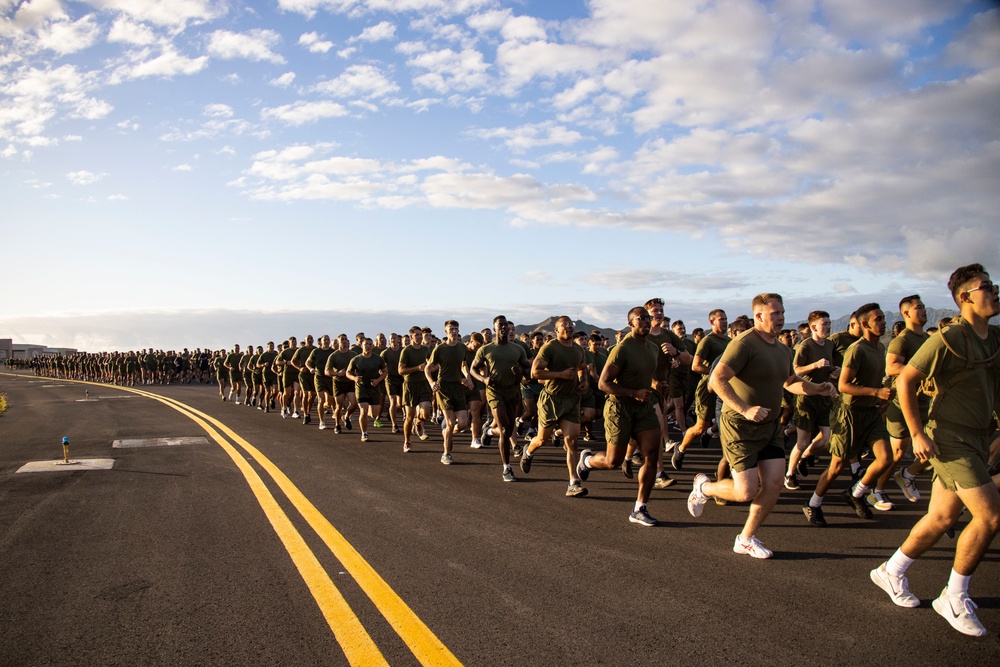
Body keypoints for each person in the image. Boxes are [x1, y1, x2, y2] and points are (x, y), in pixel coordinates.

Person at [871, 264, 999, 637]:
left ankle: (890, 571)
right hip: (950, 439)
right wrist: (916, 433)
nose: (993, 291)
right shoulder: (948, 339)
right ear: (964, 298)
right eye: (985, 287)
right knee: (990, 517)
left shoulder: (994, 339)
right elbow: (907, 379)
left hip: (977, 437)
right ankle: (954, 596)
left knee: (942, 518)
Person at [687, 293, 837, 558]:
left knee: (774, 484)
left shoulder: (782, 349)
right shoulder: (744, 343)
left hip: (770, 427)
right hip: (740, 426)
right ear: (758, 316)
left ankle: (746, 538)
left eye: (782, 313)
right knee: (746, 491)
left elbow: (790, 381)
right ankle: (704, 488)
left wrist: (819, 388)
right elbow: (717, 380)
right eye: (774, 313)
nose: (780, 318)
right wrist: (744, 409)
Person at [802, 303, 895, 525]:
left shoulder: (880, 348)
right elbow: (843, 385)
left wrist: (880, 400)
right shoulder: (857, 350)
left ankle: (855, 493)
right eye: (878, 319)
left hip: (870, 412)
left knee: (886, 458)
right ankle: (813, 503)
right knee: (837, 466)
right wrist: (876, 392)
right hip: (849, 413)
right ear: (864, 324)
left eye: (883, 318)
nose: (883, 323)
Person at [576, 307, 664, 525]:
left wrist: (657, 385)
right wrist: (633, 393)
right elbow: (603, 383)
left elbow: (648, 374)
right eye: (641, 318)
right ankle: (587, 461)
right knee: (613, 461)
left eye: (648, 318)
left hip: (643, 408)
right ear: (631, 324)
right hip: (619, 408)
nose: (646, 321)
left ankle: (640, 508)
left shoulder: (653, 348)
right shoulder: (622, 349)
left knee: (651, 453)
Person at [521, 316, 589, 495]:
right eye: (564, 325)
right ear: (556, 330)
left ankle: (573, 483)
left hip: (572, 399)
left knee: (572, 441)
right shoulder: (550, 347)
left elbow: (583, 367)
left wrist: (583, 381)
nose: (568, 327)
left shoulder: (578, 349)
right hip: (551, 399)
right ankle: (527, 452)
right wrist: (560, 374)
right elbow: (535, 372)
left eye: (570, 325)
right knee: (542, 439)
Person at [470, 315, 531, 482]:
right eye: (500, 325)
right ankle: (507, 468)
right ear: (495, 328)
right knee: (504, 430)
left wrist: (521, 372)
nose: (504, 328)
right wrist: (484, 379)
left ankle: (489, 431)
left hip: (512, 392)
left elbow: (529, 370)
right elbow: (472, 369)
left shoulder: (518, 349)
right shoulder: (486, 349)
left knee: (510, 427)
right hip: (494, 391)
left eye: (506, 325)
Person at [883, 295, 931, 502]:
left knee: (935, 445)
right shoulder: (903, 339)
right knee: (897, 454)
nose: (923, 310)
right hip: (902, 404)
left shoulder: (927, 339)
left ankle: (907, 475)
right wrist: (922, 372)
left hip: (924, 403)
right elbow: (891, 367)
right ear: (906, 313)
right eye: (918, 307)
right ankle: (877, 488)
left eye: (923, 307)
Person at [785, 310, 838, 490]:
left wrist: (833, 371)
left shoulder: (829, 345)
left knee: (825, 439)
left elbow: (828, 366)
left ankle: (805, 457)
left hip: (824, 397)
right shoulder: (805, 346)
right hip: (806, 397)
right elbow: (795, 371)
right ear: (813, 327)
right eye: (825, 324)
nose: (828, 327)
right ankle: (789, 474)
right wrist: (814, 365)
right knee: (802, 441)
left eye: (829, 323)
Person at [671, 309, 730, 469]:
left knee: (728, 420)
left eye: (725, 319)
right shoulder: (708, 341)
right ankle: (681, 448)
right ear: (712, 322)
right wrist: (715, 372)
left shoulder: (729, 341)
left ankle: (712, 435)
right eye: (721, 319)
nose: (724, 321)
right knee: (699, 427)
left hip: (725, 388)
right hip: (708, 388)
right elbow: (696, 366)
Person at [425, 320, 473, 465]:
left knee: (463, 423)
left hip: (457, 387)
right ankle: (446, 453)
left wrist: (467, 378)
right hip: (443, 388)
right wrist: (432, 383)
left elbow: (463, 365)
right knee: (451, 422)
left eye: (456, 329)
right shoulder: (439, 349)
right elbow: (428, 368)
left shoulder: (461, 348)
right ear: (446, 331)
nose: (454, 331)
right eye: (451, 329)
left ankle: (447, 433)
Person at [346, 338, 388, 442]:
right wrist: (354, 378)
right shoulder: (356, 359)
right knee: (363, 411)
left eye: (370, 344)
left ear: (372, 346)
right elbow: (348, 372)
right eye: (366, 344)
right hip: (361, 387)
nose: (368, 346)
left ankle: (363, 418)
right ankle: (364, 433)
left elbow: (385, 371)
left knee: (374, 414)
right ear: (361, 345)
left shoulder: (378, 359)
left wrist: (378, 380)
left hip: (374, 387)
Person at [399, 327, 433, 453]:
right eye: (417, 335)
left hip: (423, 384)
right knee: (409, 416)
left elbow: (430, 363)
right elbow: (401, 370)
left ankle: (418, 423)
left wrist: (432, 368)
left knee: (426, 413)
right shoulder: (406, 351)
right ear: (411, 337)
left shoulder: (425, 349)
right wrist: (417, 368)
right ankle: (407, 441)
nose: (419, 337)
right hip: (410, 385)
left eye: (421, 334)